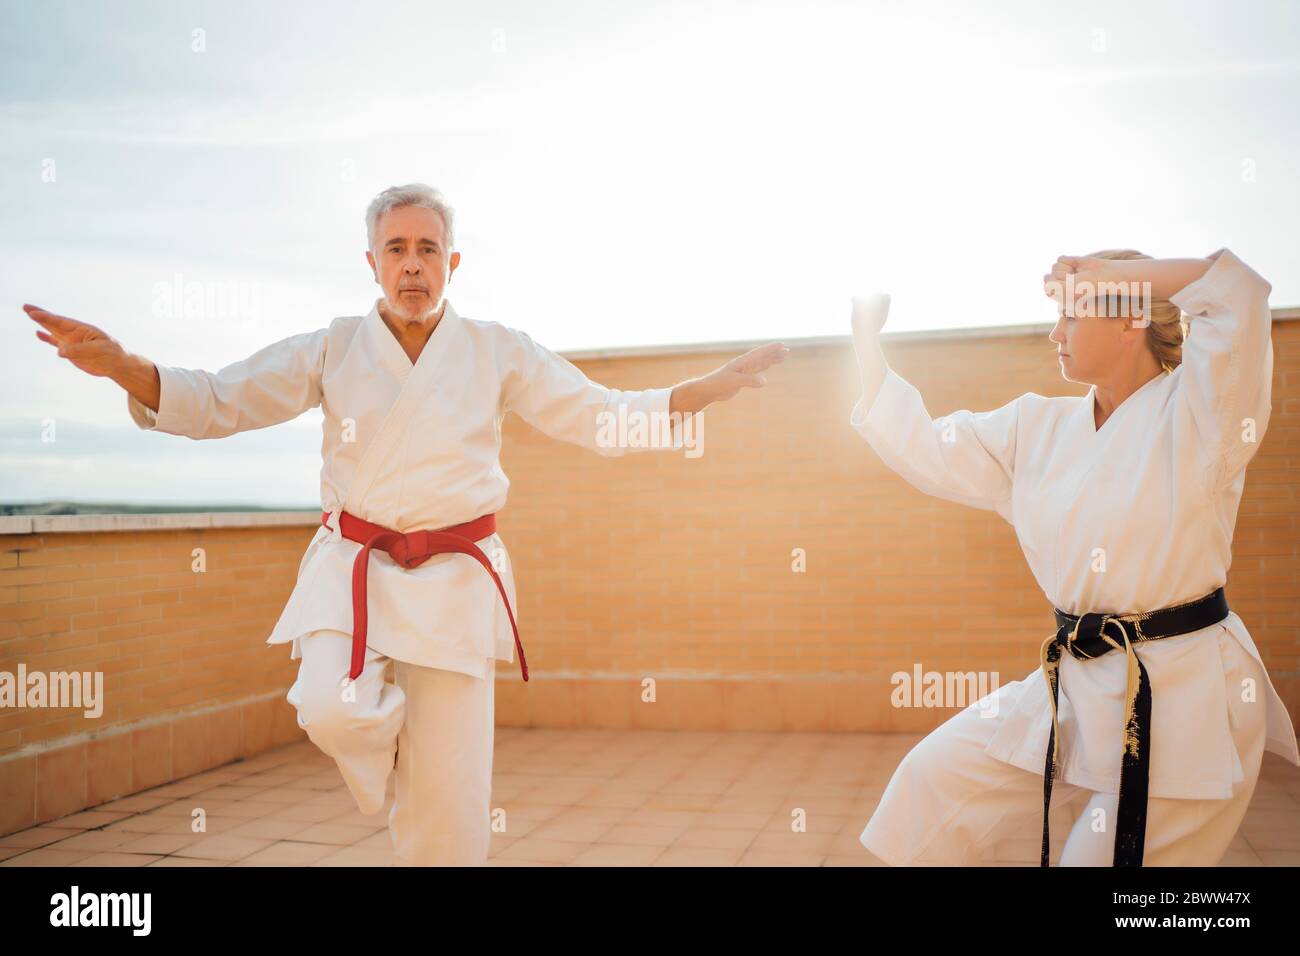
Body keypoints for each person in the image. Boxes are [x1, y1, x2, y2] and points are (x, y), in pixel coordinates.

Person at [24, 182, 789, 865]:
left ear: (453, 262)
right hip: (353, 568)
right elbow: (224, 399)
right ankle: (389, 750)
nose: (413, 265)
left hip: (457, 579)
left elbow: (600, 415)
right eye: (397, 249)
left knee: (450, 807)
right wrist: (123, 365)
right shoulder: (332, 348)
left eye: (428, 248)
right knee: (330, 707)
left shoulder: (498, 351)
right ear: (372, 263)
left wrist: (702, 391)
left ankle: (427, 784)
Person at [848, 249, 1299, 866]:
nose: (1055, 333)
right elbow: (926, 445)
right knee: (929, 783)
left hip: (1182, 698)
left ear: (1130, 319)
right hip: (1076, 682)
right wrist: (865, 342)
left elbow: (1237, 292)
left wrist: (1113, 277)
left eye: (1072, 315)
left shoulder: (1204, 410)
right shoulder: (1036, 426)